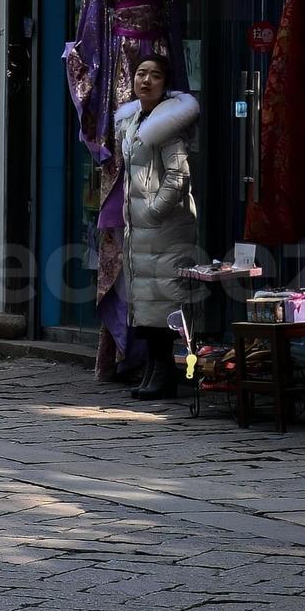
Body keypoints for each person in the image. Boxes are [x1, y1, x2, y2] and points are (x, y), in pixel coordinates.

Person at [114, 55, 204, 401]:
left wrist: (153, 212)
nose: (146, 80)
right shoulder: (132, 119)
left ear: (165, 83)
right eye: (140, 73)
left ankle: (165, 372)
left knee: (164, 299)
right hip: (140, 229)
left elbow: (178, 176)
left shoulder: (166, 124)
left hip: (164, 228)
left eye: (154, 75)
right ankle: (154, 367)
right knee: (146, 300)